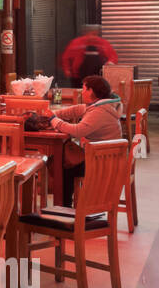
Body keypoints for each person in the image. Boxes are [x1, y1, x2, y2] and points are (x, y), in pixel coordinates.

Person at [46, 74, 123, 203]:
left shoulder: (99, 112)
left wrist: (54, 120)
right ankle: (63, 206)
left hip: (102, 163)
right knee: (62, 160)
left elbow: (77, 131)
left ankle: (63, 208)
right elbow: (76, 110)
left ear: (91, 91)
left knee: (63, 166)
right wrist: (55, 114)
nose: (82, 92)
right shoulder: (101, 106)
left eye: (84, 88)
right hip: (105, 157)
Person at [61, 24, 118, 89]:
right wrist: (67, 69)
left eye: (95, 34)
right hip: (78, 76)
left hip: (97, 76)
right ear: (85, 33)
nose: (92, 36)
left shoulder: (102, 43)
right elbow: (66, 58)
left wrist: (110, 63)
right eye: (91, 33)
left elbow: (113, 57)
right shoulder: (76, 42)